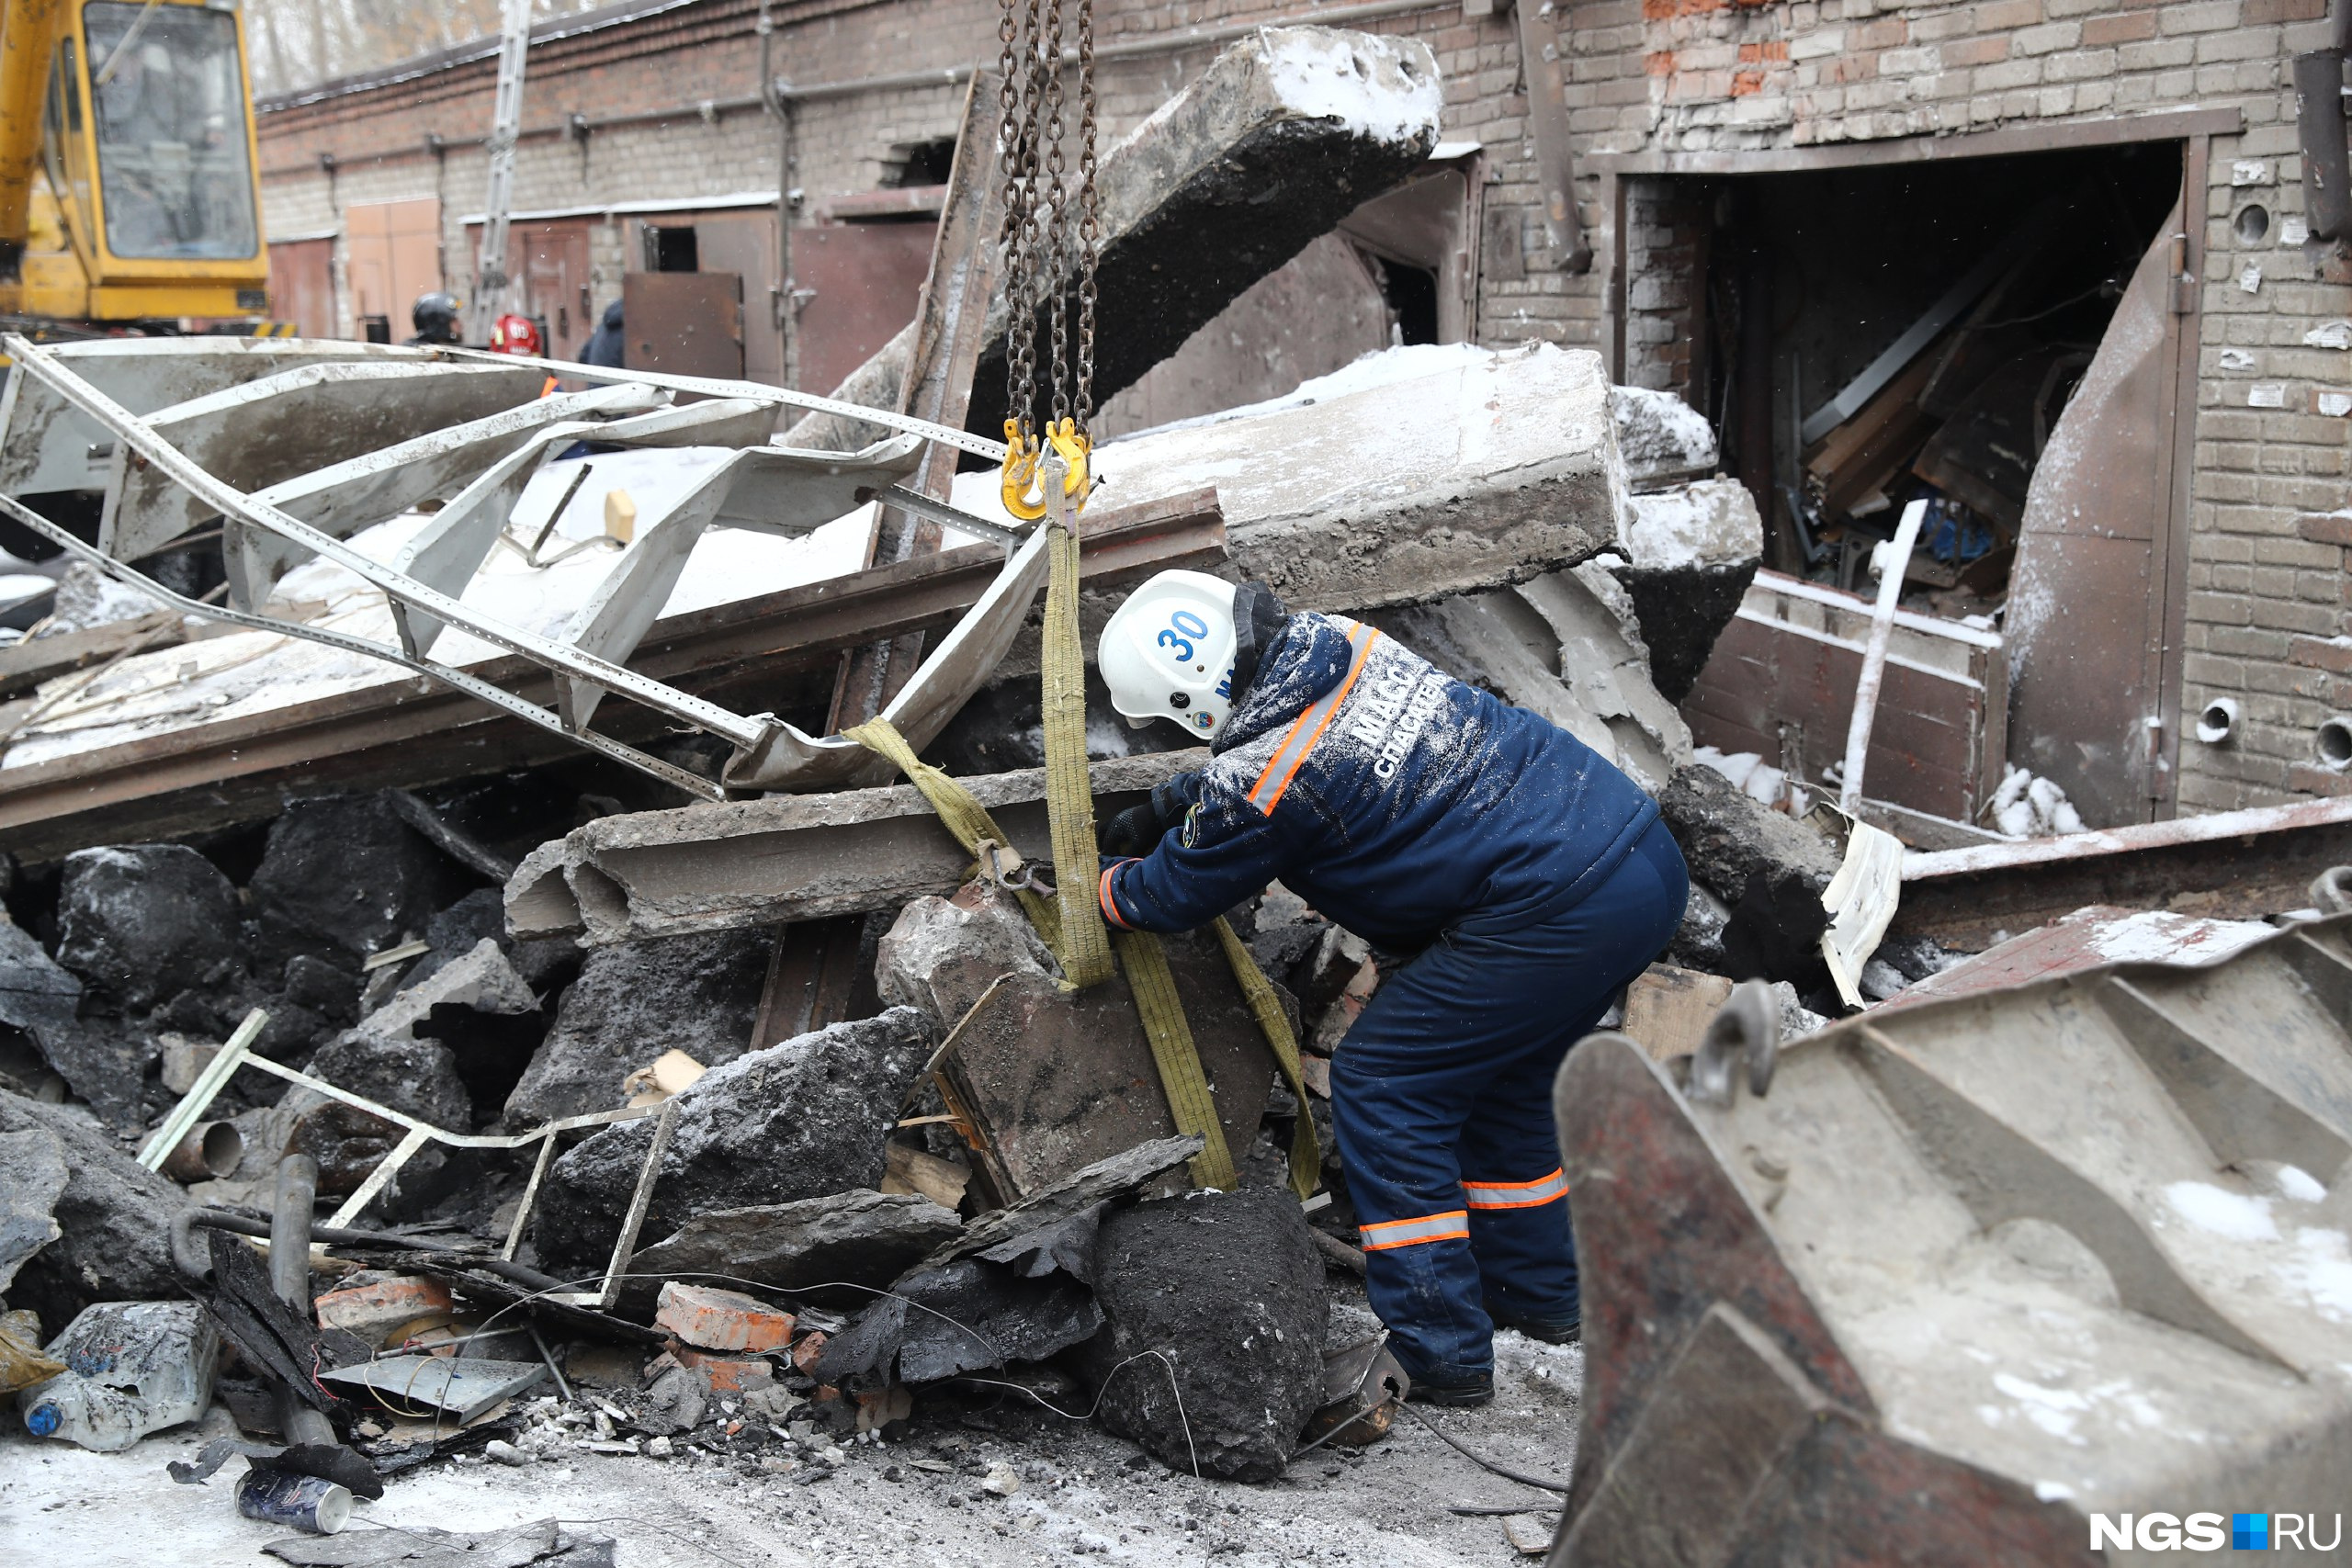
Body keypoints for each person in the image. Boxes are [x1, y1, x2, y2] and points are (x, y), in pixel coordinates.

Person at [1093, 570, 1689, 1406]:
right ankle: (1542, 1300)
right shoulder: (1337, 641)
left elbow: (1173, 891)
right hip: (1634, 857)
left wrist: (1101, 886)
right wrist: (1173, 802)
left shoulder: (1270, 777)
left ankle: (1438, 1349)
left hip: (1554, 908)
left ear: (1194, 698)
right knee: (1507, 1090)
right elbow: (1277, 756)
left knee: (1387, 1082)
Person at [580, 300, 626, 368]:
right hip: (616, 377)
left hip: (595, 376)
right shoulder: (633, 330)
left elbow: (584, 356)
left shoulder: (604, 324)